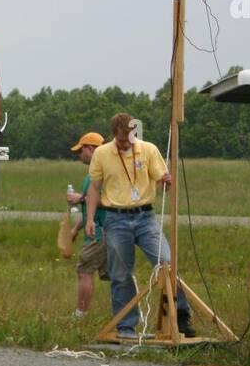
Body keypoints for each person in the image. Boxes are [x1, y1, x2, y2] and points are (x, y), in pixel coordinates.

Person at [84, 113, 196, 339]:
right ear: (114, 135)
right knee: (121, 274)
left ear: (134, 133)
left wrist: (166, 182)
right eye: (121, 140)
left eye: (129, 139)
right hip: (116, 219)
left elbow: (161, 179)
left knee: (167, 263)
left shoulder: (149, 149)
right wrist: (90, 219)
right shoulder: (102, 154)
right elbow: (94, 189)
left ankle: (181, 317)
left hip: (145, 217)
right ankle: (126, 326)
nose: (125, 144)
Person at [67, 131, 109, 318]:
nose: (78, 155)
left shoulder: (104, 171)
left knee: (84, 271)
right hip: (100, 231)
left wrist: (80, 198)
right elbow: (90, 208)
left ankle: (80, 315)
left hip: (101, 232)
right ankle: (130, 312)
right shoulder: (92, 173)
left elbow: (108, 200)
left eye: (80, 150)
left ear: (90, 149)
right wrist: (75, 229)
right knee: (114, 275)